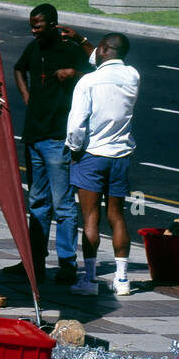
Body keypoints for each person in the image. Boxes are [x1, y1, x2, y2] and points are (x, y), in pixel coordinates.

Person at [2, 4, 92, 285]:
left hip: (57, 137)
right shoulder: (33, 47)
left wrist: (73, 70)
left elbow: (98, 71)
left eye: (38, 26)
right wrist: (27, 95)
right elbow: (18, 69)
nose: (33, 30)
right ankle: (34, 261)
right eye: (32, 25)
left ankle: (67, 264)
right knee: (37, 202)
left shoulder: (70, 49)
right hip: (34, 136)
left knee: (63, 204)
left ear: (53, 24)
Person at [65, 33, 140, 297]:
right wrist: (85, 41)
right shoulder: (133, 76)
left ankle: (90, 280)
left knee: (90, 218)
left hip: (92, 154)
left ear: (105, 49)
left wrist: (74, 149)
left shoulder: (89, 81)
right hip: (120, 154)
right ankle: (122, 280)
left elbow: (76, 125)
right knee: (117, 216)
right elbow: (103, 60)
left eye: (98, 48)